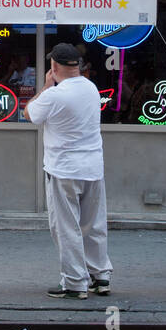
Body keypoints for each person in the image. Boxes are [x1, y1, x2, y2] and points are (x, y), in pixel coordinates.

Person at [23, 42, 111, 299]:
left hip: (63, 168)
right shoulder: (91, 88)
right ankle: (101, 275)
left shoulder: (54, 94)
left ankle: (74, 282)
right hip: (93, 166)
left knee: (66, 226)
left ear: (54, 66)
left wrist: (46, 86)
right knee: (93, 223)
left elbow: (29, 114)